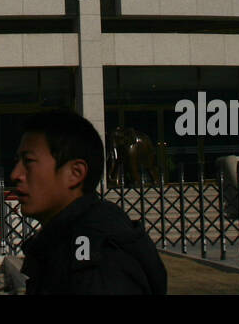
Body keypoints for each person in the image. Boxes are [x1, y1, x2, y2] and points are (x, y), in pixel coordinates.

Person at [10, 110, 167, 294]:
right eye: (17, 161)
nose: (15, 175)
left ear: (75, 173)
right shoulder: (62, 241)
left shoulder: (101, 259)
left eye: (28, 161)